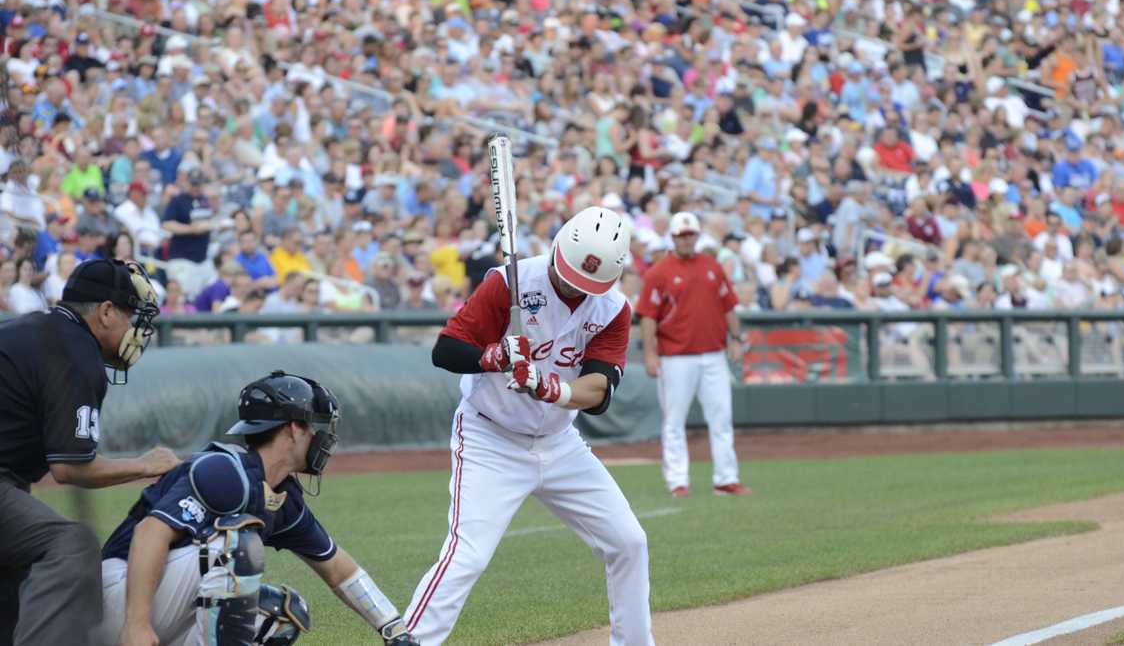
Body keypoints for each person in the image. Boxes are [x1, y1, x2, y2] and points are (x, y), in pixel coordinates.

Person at [408, 206, 652, 645]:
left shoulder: (613, 308)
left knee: (629, 542)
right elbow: (445, 350)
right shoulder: (509, 282)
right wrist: (492, 357)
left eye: (584, 285)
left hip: (560, 443)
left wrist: (550, 387)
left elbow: (598, 391)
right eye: (568, 276)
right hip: (490, 437)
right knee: (468, 556)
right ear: (557, 249)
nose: (572, 288)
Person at [97, 371, 418, 646]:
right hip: (119, 594)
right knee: (238, 546)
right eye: (316, 425)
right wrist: (136, 624)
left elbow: (339, 570)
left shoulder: (282, 496)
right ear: (294, 428)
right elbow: (149, 533)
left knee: (279, 614)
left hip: (163, 598)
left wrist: (394, 630)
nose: (324, 437)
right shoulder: (223, 469)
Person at [0, 259, 179, 646]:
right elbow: (69, 468)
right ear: (106, 311)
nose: (136, 329)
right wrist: (145, 464)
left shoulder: (35, 328)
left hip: (8, 482)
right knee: (71, 543)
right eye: (132, 316)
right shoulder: (77, 351)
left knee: (14, 572)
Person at [637, 212, 751, 498]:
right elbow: (648, 317)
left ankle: (726, 478)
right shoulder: (658, 272)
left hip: (713, 353)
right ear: (673, 237)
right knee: (674, 421)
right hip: (676, 356)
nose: (686, 239)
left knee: (722, 418)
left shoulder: (712, 266)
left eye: (690, 234)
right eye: (681, 235)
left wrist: (736, 338)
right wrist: (650, 355)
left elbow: (728, 306)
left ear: (697, 236)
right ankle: (677, 480)